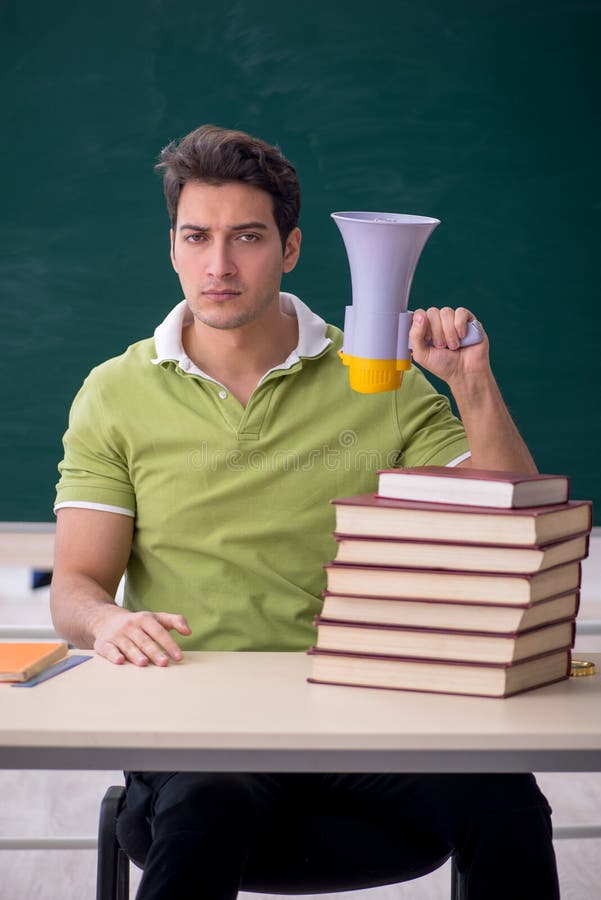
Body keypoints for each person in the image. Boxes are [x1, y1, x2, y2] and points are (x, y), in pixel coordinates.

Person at [50, 125, 559, 900]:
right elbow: (77, 585)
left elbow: (510, 521)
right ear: (173, 248)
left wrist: (470, 384)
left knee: (504, 801)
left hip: (370, 712)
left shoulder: (375, 375)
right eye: (198, 237)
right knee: (204, 807)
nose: (219, 264)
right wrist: (106, 622)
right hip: (200, 730)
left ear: (288, 249)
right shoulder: (115, 392)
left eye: (246, 237)